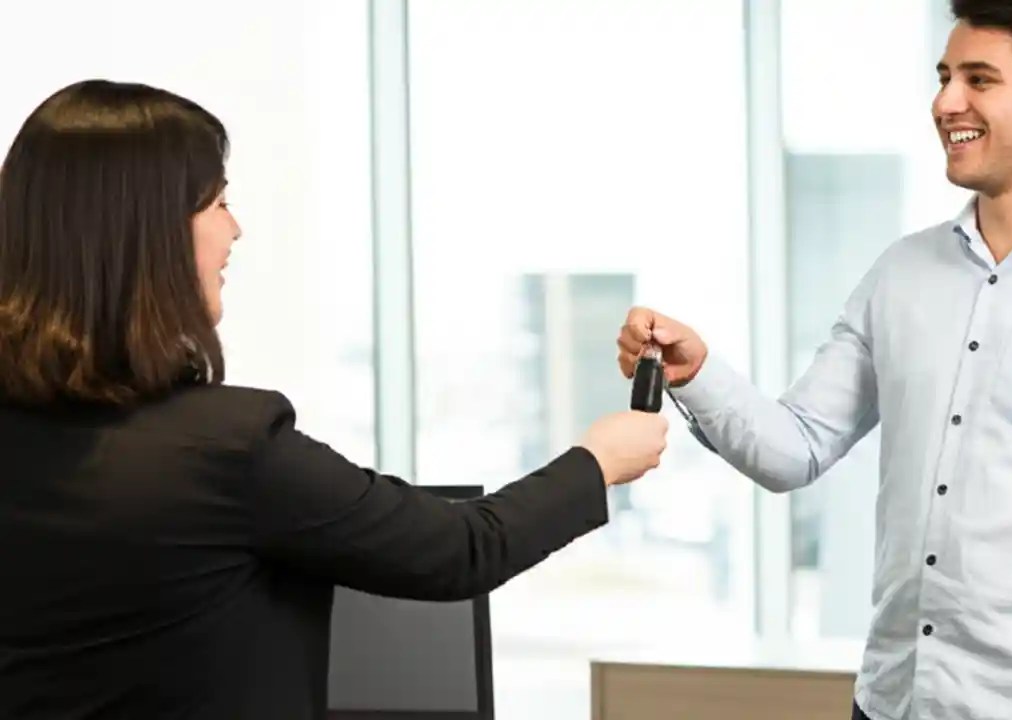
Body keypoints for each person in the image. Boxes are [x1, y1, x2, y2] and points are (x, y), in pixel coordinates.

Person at [617, 1, 1012, 719]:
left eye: (979, 79)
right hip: (892, 703)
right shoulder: (900, 274)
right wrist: (700, 373)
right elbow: (796, 447)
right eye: (943, 77)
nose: (945, 103)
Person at [0, 79, 669, 720]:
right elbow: (460, 548)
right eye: (217, 203)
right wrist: (600, 460)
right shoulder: (227, 450)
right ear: (149, 233)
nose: (236, 230)